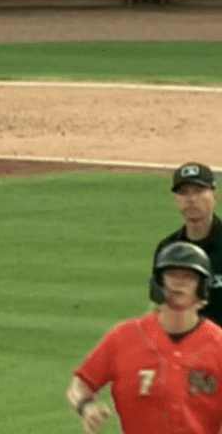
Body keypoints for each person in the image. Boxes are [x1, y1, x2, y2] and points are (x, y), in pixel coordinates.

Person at [67, 241, 222, 434]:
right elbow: (81, 384)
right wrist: (85, 406)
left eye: (188, 276)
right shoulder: (123, 337)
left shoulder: (218, 344)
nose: (179, 282)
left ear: (202, 286)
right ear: (158, 282)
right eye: (172, 274)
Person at [157, 163, 222, 325]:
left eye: (199, 191)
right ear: (175, 200)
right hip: (188, 346)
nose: (191, 199)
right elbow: (161, 305)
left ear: (215, 195)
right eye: (184, 193)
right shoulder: (168, 248)